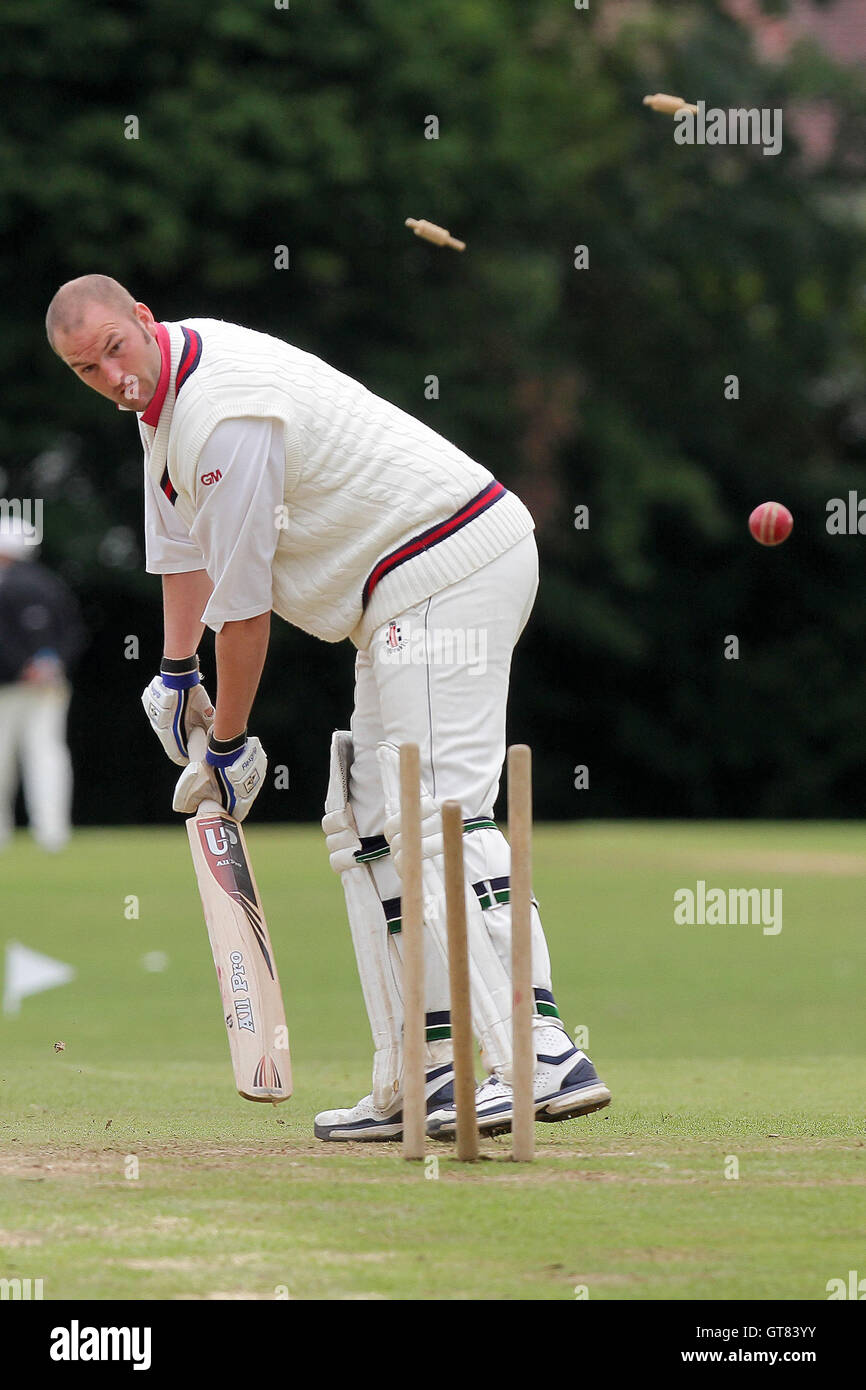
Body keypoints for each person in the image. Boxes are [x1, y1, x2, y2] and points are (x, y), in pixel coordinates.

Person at [45, 273, 611, 1140]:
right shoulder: (159, 409)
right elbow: (181, 553)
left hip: (448, 566)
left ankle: (539, 1054)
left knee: (436, 814)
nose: (112, 378)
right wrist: (172, 670)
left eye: (115, 350)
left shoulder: (224, 416)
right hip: (397, 595)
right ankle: (425, 1075)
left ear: (144, 322)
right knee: (368, 826)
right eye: (87, 370)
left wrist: (228, 745)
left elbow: (243, 609)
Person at [0, 521, 85, 851]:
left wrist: (22, 666)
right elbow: (74, 632)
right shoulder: (52, 584)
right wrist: (51, 665)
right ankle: (52, 832)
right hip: (50, 685)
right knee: (48, 753)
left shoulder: (6, 585)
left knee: (3, 756)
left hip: (8, 686)